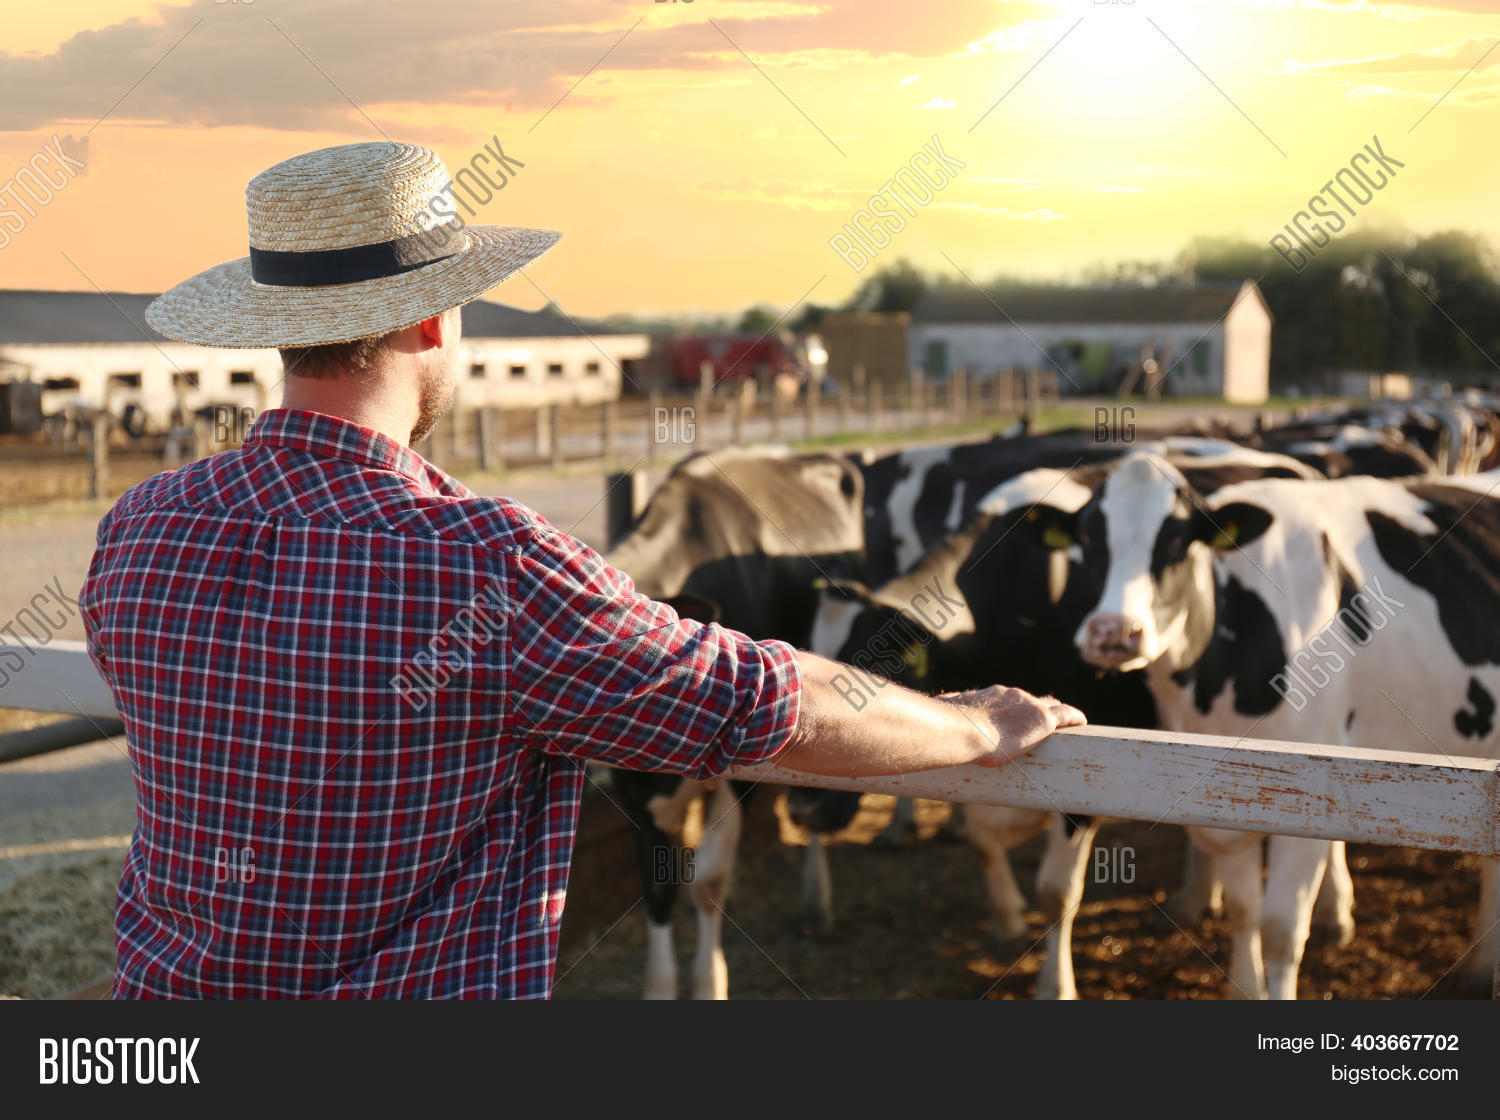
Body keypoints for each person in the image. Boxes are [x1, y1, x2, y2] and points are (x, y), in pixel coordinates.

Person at [79, 141, 1085, 999]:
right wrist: (974, 723)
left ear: (277, 327)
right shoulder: (489, 564)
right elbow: (761, 702)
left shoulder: (139, 530)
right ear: (433, 322)